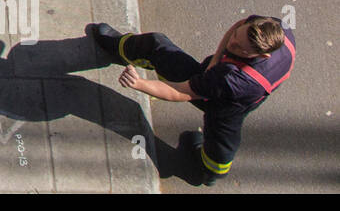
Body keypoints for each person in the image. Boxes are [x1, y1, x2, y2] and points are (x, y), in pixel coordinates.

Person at [89, 16, 296, 185]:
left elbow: (180, 91)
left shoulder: (230, 81)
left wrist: (139, 84)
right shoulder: (280, 32)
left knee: (156, 46)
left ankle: (208, 172)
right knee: (223, 140)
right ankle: (210, 172)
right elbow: (239, 25)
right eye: (235, 37)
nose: (232, 43)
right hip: (245, 91)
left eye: (241, 48)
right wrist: (214, 63)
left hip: (227, 99)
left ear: (263, 55)